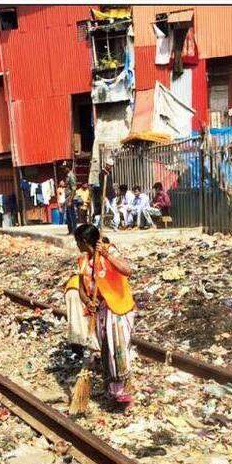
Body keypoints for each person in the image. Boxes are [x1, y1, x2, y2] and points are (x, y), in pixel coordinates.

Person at [75, 223, 136, 405]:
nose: (77, 246)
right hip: (100, 309)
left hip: (118, 307)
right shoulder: (83, 261)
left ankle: (122, 389)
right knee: (105, 349)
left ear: (85, 241)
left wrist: (106, 255)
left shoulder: (109, 251)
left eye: (77, 241)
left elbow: (127, 270)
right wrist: (88, 301)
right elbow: (80, 287)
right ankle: (111, 388)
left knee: (117, 347)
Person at [96, 157, 114, 227]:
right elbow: (101, 186)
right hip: (105, 195)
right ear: (107, 165)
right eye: (110, 166)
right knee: (106, 210)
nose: (111, 167)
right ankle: (100, 224)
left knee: (113, 211)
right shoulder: (102, 173)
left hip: (112, 195)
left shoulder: (109, 172)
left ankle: (113, 224)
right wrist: (103, 196)